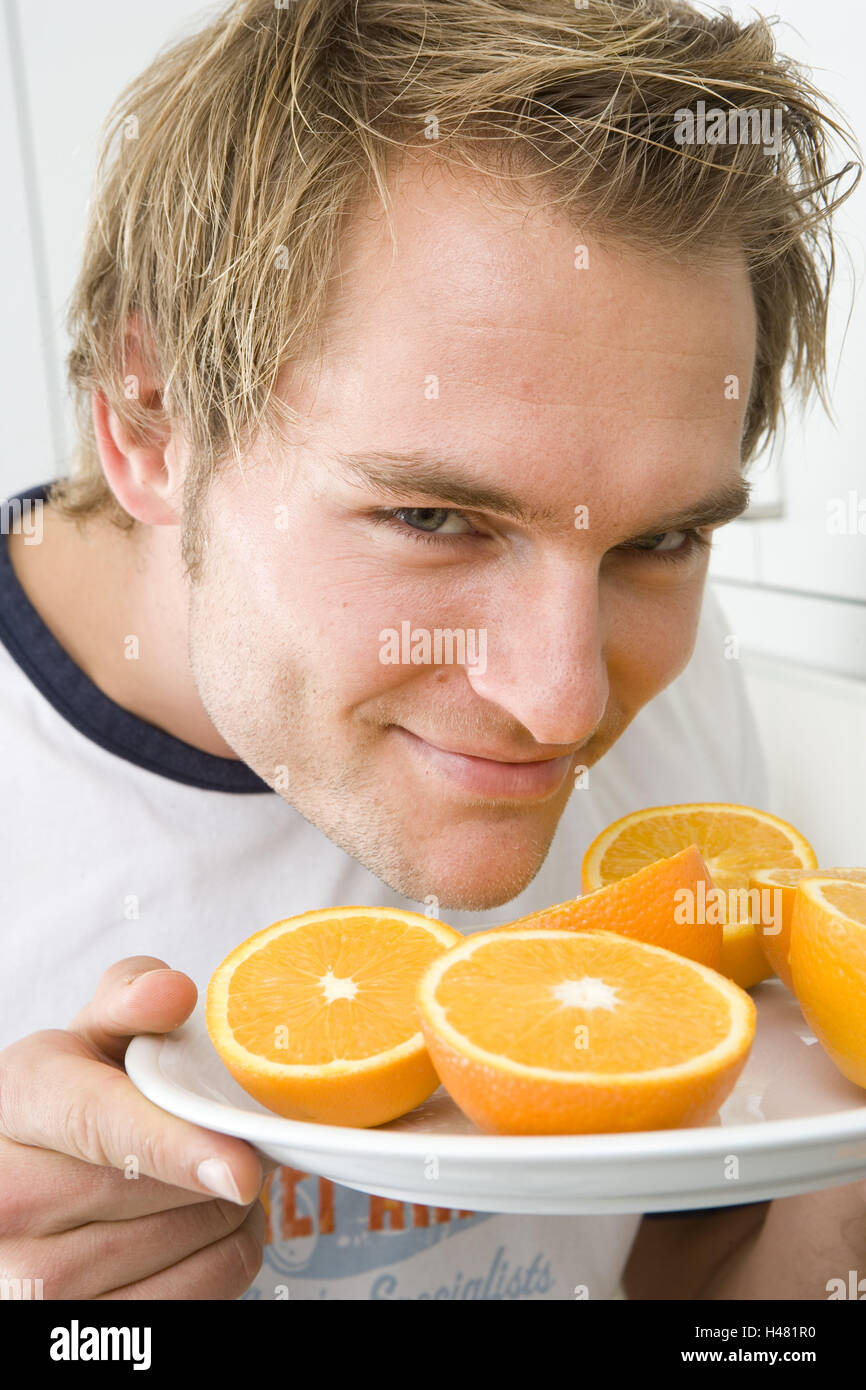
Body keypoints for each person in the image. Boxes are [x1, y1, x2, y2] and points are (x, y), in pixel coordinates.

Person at [0, 0, 858, 1300]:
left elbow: (692, 1259)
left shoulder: (670, 678)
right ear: (153, 422)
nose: (561, 701)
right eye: (434, 517)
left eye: (665, 537)